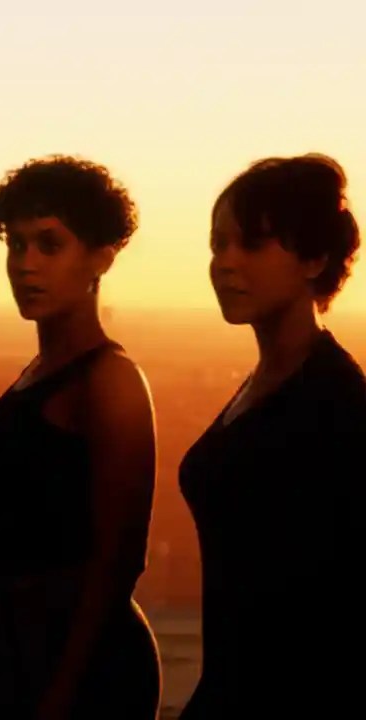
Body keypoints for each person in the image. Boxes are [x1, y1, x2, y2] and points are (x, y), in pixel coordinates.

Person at [0, 156, 161, 720]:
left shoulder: (109, 380)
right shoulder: (34, 374)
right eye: (15, 245)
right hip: (6, 662)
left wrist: (62, 692)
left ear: (100, 259)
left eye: (49, 244)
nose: (26, 264)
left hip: (77, 673)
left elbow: (119, 559)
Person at [178, 154, 366, 719]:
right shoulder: (266, 382)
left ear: (314, 259)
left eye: (252, 245)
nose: (225, 264)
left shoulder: (335, 401)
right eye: (217, 244)